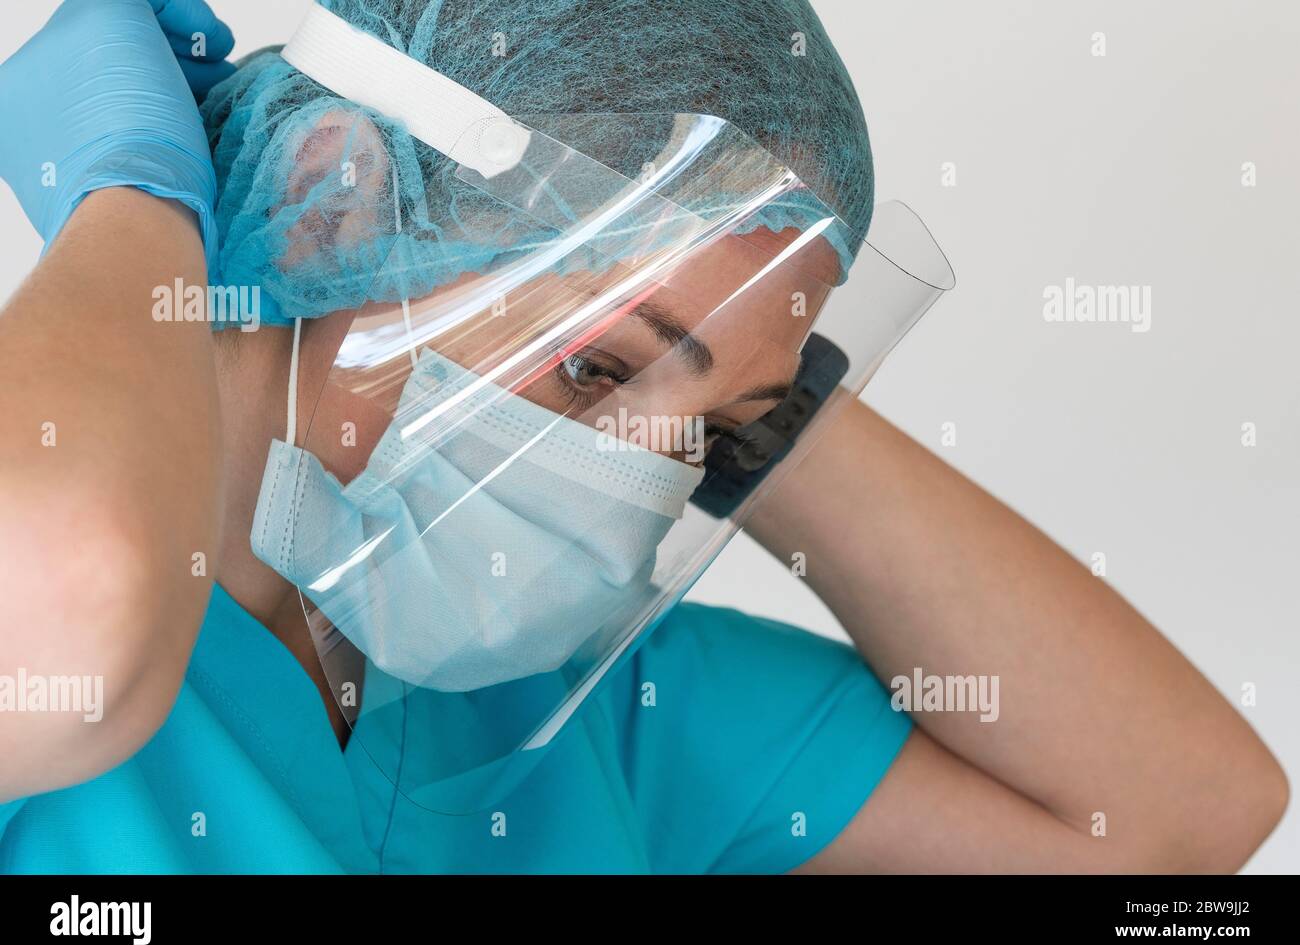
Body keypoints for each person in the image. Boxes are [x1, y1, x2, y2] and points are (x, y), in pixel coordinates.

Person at [0, 0, 1287, 874]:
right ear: (334, 205)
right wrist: (140, 205)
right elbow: (76, 611)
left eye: (711, 442)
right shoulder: (50, 615)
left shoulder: (590, 712)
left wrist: (740, 371)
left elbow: (1177, 816)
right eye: (590, 367)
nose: (630, 488)